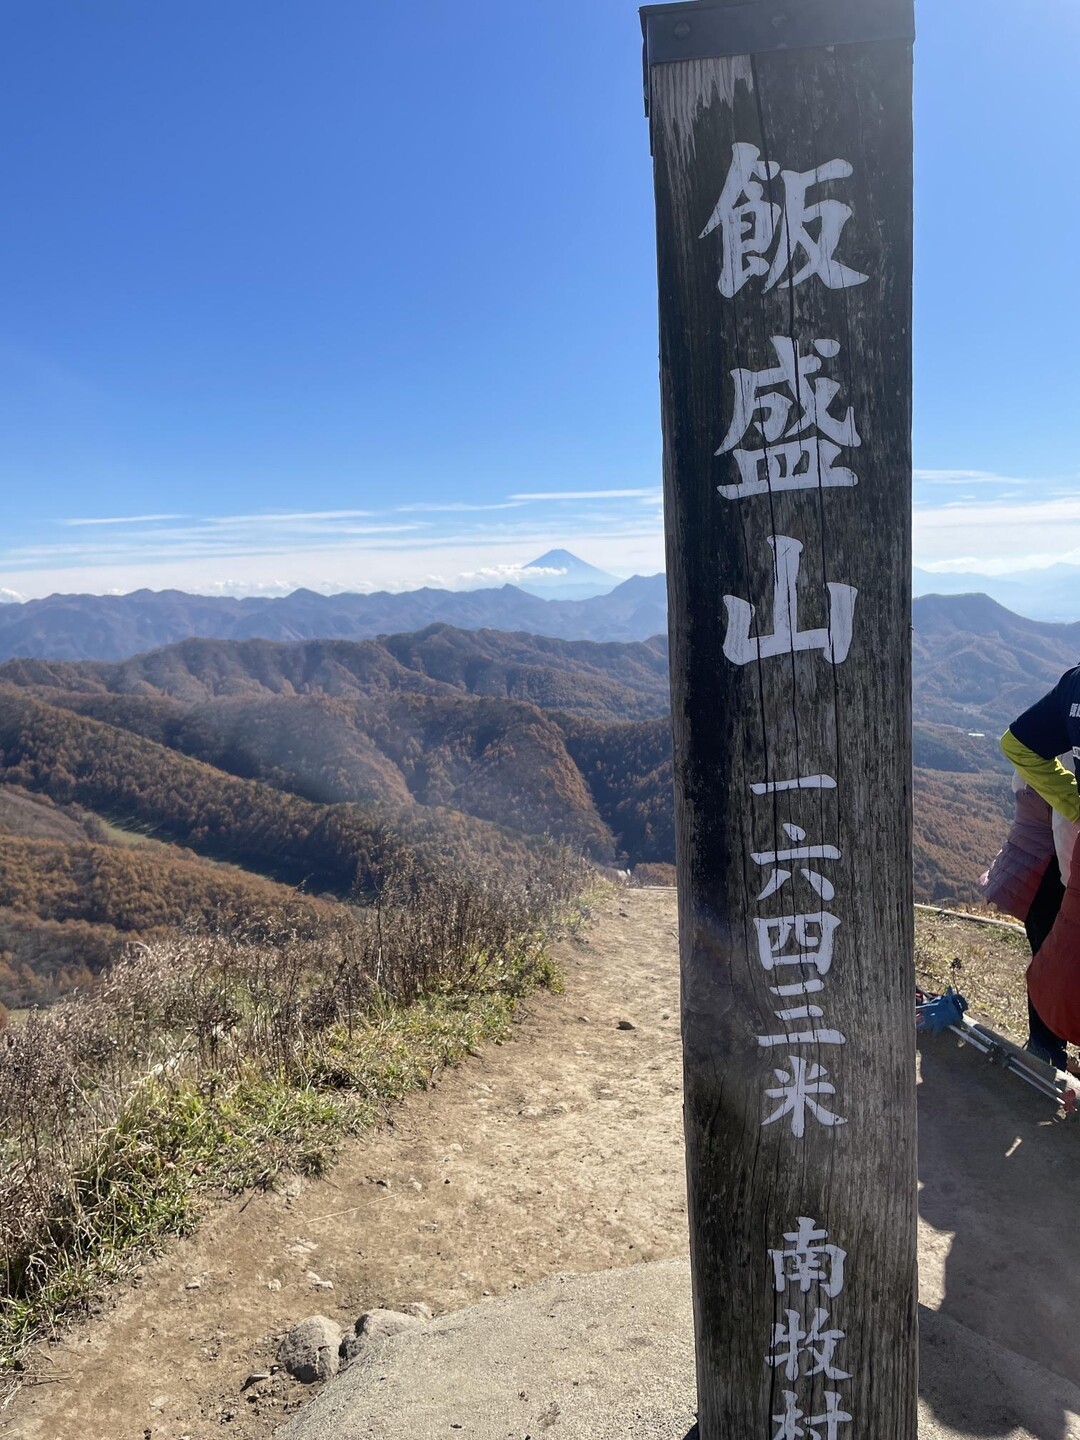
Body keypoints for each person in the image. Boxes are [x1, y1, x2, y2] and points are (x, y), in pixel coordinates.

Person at [1002, 669, 1080, 1068]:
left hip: (1041, 866)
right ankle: (1046, 1051)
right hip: (1050, 869)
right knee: (1055, 962)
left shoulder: (1071, 691)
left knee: (1052, 962)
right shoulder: (1057, 753)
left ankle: (1046, 1050)